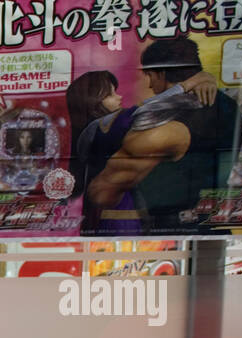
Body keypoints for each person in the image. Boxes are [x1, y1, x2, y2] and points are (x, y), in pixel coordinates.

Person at [87, 37, 241, 233]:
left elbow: (102, 193)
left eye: (151, 75)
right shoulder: (229, 105)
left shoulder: (161, 131)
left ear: (162, 72)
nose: (150, 85)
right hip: (217, 226)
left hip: (173, 231)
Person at [68, 66, 220, 234]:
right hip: (119, 214)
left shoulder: (87, 135)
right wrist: (190, 83)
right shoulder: (107, 125)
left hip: (96, 214)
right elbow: (148, 106)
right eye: (110, 94)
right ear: (93, 101)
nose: (119, 97)